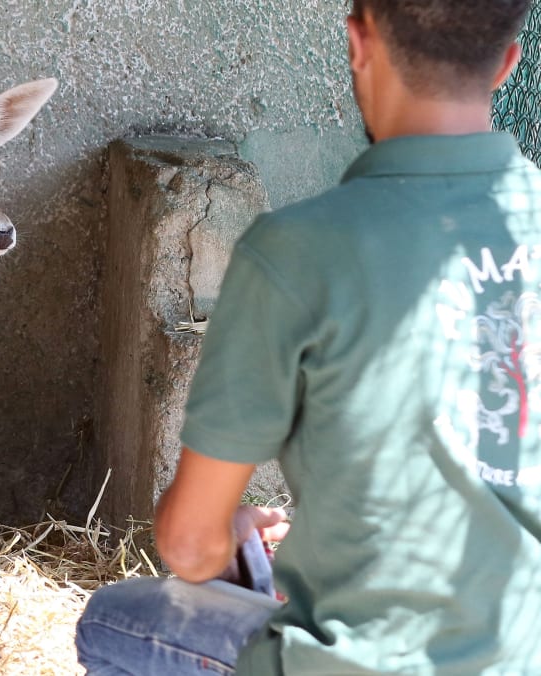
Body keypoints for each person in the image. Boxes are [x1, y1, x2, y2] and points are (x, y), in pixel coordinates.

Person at [76, 0, 541, 673]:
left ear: (358, 40)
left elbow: (188, 545)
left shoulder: (296, 251)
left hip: (361, 662)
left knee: (113, 619)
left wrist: (234, 532)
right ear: (506, 64)